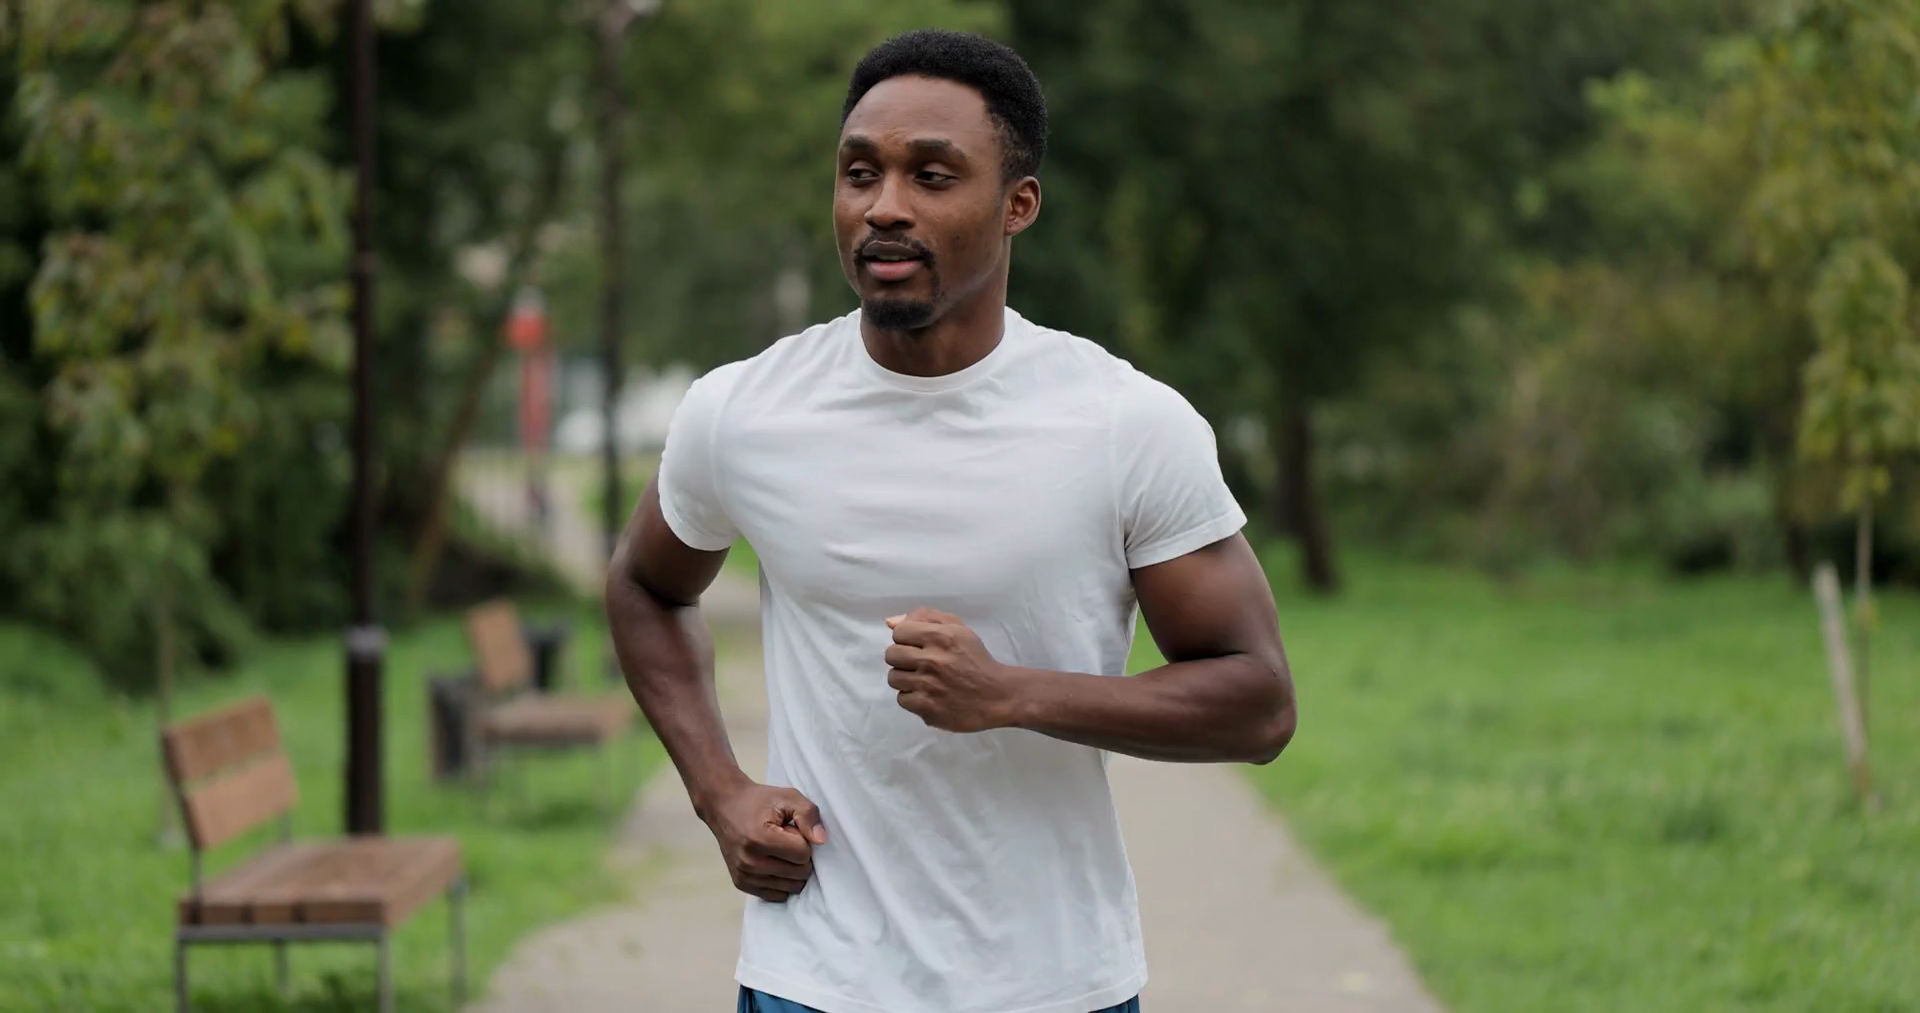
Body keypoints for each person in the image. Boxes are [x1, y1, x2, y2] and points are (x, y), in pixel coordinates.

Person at [606, 28, 1296, 1013]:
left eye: (932, 176)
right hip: (815, 976)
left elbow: (1258, 701)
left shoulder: (1123, 424)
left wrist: (1008, 691)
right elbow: (643, 583)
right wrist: (720, 790)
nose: (885, 207)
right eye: (860, 174)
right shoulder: (746, 411)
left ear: (1018, 205)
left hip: (1054, 980)